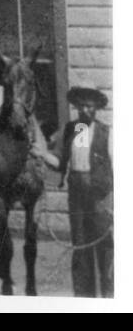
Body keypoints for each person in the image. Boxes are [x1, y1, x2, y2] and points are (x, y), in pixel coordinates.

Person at [53, 87, 113, 298]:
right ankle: (83, 300)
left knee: (105, 249)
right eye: (81, 105)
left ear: (96, 107)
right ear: (76, 107)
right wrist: (40, 153)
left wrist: (113, 206)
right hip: (77, 198)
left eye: (89, 105)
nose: (85, 110)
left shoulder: (107, 133)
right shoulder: (74, 130)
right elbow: (65, 162)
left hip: (99, 199)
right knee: (80, 247)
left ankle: (109, 299)